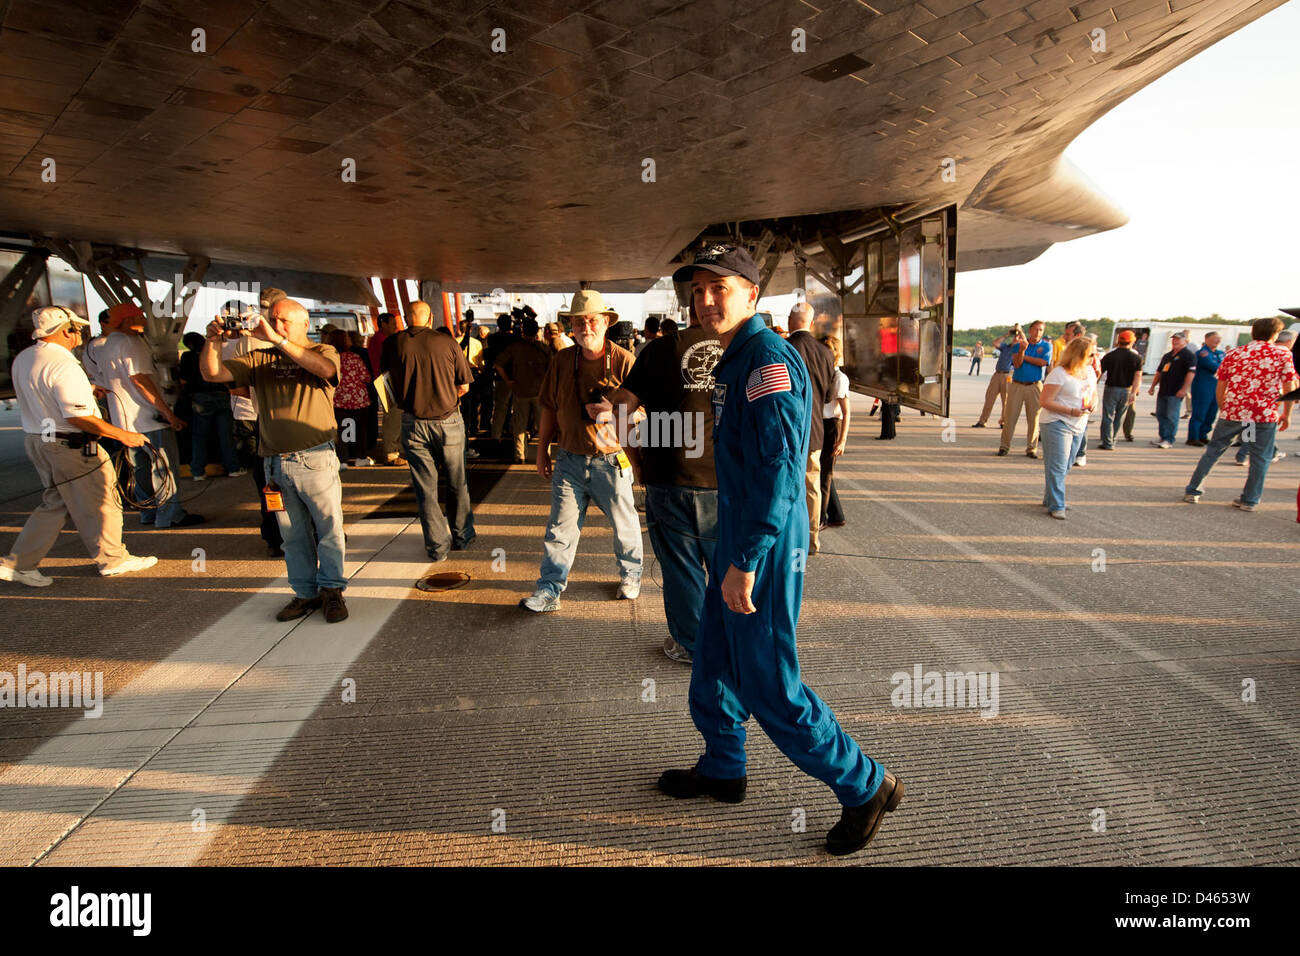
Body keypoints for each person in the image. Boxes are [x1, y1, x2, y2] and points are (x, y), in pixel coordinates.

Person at [656, 244, 900, 858]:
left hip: (761, 538)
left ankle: (865, 784)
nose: (705, 299)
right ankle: (723, 766)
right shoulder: (734, 357)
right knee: (711, 657)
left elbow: (783, 470)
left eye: (721, 288)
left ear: (752, 295)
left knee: (769, 680)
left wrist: (746, 560)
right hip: (739, 528)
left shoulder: (766, 360)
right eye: (698, 289)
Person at [201, 298, 349, 624]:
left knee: (329, 530)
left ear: (304, 324)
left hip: (315, 459)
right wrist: (212, 342)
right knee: (292, 536)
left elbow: (325, 371)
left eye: (284, 321)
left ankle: (333, 590)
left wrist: (279, 340)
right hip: (274, 463)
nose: (276, 326)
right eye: (273, 320)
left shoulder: (322, 351)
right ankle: (306, 592)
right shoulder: (259, 358)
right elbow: (213, 374)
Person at [592, 304, 721, 663]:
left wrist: (636, 461)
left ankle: (692, 646)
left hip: (668, 474)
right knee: (729, 565)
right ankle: (736, 643)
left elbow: (620, 406)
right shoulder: (740, 346)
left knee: (681, 568)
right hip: (726, 479)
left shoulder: (660, 349)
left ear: (690, 309)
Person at [0, 307, 158, 586]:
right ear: (66, 331)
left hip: (40, 439)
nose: (80, 334)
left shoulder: (26, 358)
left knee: (57, 501)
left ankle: (18, 563)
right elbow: (77, 416)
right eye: (77, 328)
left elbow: (44, 393)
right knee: (104, 499)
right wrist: (123, 435)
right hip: (70, 444)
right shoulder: (63, 364)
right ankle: (113, 559)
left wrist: (88, 390)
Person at [520, 290, 641, 612]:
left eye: (592, 320)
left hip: (611, 460)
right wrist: (542, 451)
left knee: (624, 525)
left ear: (605, 323)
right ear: (571, 326)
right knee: (559, 530)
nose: (586, 326)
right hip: (569, 459)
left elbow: (647, 414)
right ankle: (549, 590)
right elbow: (548, 407)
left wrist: (612, 412)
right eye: (579, 321)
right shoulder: (561, 360)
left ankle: (631, 575)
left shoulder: (624, 361)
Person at [95, 302, 204, 528]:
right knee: (164, 468)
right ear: (128, 320)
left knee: (140, 468)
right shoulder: (131, 343)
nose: (145, 319)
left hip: (123, 420)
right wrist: (168, 414)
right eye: (139, 315)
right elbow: (141, 381)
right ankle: (170, 515)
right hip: (148, 419)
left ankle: (148, 512)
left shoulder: (105, 346)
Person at [383, 300, 475, 559]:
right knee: (457, 481)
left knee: (425, 487)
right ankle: (462, 535)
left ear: (404, 317)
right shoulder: (447, 342)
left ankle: (437, 547)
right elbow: (464, 386)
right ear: (430, 317)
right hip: (448, 421)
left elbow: (385, 383)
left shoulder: (393, 344)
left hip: (412, 422)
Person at [1183, 318, 1297, 510]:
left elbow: (1222, 383)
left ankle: (1193, 490)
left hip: (1235, 412)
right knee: (1259, 456)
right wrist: (1287, 413)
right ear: (1275, 335)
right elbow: (1288, 385)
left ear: (1253, 332)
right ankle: (1249, 500)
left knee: (1214, 451)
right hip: (1262, 414)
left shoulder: (1235, 352)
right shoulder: (1282, 353)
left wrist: (1223, 406)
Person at [225, 291, 286, 556]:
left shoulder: (244, 341)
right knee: (278, 482)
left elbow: (232, 386)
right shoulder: (258, 342)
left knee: (268, 482)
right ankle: (280, 535)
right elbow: (236, 388)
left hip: (254, 419)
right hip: (267, 421)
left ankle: (276, 536)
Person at [786, 303, 836, 555]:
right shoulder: (826, 353)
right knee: (811, 487)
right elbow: (828, 396)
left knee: (785, 486)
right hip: (814, 432)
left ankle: (786, 540)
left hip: (786, 432)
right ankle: (811, 541)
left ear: (788, 321)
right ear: (812, 323)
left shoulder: (784, 348)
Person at [1038, 337, 1098, 518]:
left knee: (1067, 464)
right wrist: (1070, 411)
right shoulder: (1059, 373)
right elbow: (1045, 401)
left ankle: (1051, 498)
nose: (1094, 358)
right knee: (1057, 465)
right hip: (1057, 422)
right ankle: (1057, 505)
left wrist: (1094, 403)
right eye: (1091, 354)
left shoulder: (1089, 371)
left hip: (1079, 424)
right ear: (1079, 355)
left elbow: (1094, 393)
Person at [178, 329, 243, 481]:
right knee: (226, 435)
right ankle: (233, 468)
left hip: (200, 399)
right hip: (221, 395)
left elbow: (183, 381)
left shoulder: (187, 357)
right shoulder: (212, 354)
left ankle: (198, 471)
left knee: (199, 436)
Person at [495, 315, 552, 465]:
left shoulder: (515, 348)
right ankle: (545, 454)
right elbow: (552, 372)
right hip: (540, 393)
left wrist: (508, 381)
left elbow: (498, 364)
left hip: (520, 391)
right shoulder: (544, 349)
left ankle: (519, 455)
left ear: (523, 331)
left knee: (519, 426)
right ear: (536, 331)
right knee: (543, 427)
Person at [998, 321, 1050, 458]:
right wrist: (1021, 350)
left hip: (1034, 385)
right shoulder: (1018, 346)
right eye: (1035, 329)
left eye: (1040, 330)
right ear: (1030, 330)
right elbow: (1017, 363)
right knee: (1010, 417)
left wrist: (1025, 356)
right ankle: (1004, 446)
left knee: (1034, 418)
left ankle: (1031, 448)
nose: (1038, 333)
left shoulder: (1046, 346)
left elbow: (1043, 362)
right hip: (1017, 384)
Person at [327, 329, 373, 466]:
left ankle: (342, 459)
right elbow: (366, 377)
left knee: (342, 430)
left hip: (338, 399)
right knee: (360, 429)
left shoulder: (329, 358)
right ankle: (360, 457)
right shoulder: (354, 357)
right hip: (358, 399)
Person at [820, 336, 850, 529]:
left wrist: (842, 440)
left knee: (825, 474)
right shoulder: (823, 373)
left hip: (832, 426)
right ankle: (836, 515)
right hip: (820, 424)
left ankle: (821, 517)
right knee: (822, 472)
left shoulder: (839, 378)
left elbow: (847, 412)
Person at [1148, 331, 1196, 448]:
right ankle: (1163, 436)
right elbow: (1159, 372)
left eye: (1178, 339)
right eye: (1174, 339)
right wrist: (1153, 386)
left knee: (1171, 415)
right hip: (1163, 390)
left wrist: (1184, 389)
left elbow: (1191, 373)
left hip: (1176, 391)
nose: (1175, 341)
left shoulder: (1188, 355)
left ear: (1185, 341)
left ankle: (1169, 439)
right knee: (1160, 414)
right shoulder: (1168, 355)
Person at [1097, 330, 1143, 450]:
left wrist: (1093, 386)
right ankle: (1113, 440)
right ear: (1132, 341)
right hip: (1126, 390)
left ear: (1119, 341)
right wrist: (1134, 391)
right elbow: (1138, 376)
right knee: (1119, 416)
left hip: (1111, 388)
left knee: (1108, 416)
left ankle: (1107, 442)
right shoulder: (1136, 358)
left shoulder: (1110, 356)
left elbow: (1099, 373)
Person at [973, 328, 1017, 428]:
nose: (1015, 339)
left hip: (1008, 375)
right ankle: (982, 421)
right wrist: (1007, 334)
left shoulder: (1019, 349)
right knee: (989, 398)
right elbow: (995, 343)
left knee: (1005, 400)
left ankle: (1004, 422)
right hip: (997, 374)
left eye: (1017, 337)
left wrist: (1020, 333)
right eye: (1014, 337)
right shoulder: (1006, 347)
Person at [1186, 332, 1224, 446]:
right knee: (1200, 413)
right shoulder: (1202, 353)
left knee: (1211, 413)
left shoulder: (1221, 353)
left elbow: (1227, 366)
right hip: (1203, 387)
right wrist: (1224, 367)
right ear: (1206, 339)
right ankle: (1193, 437)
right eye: (1214, 339)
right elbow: (1215, 367)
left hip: (1216, 387)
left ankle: (1203, 435)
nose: (1217, 341)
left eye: (1219, 339)